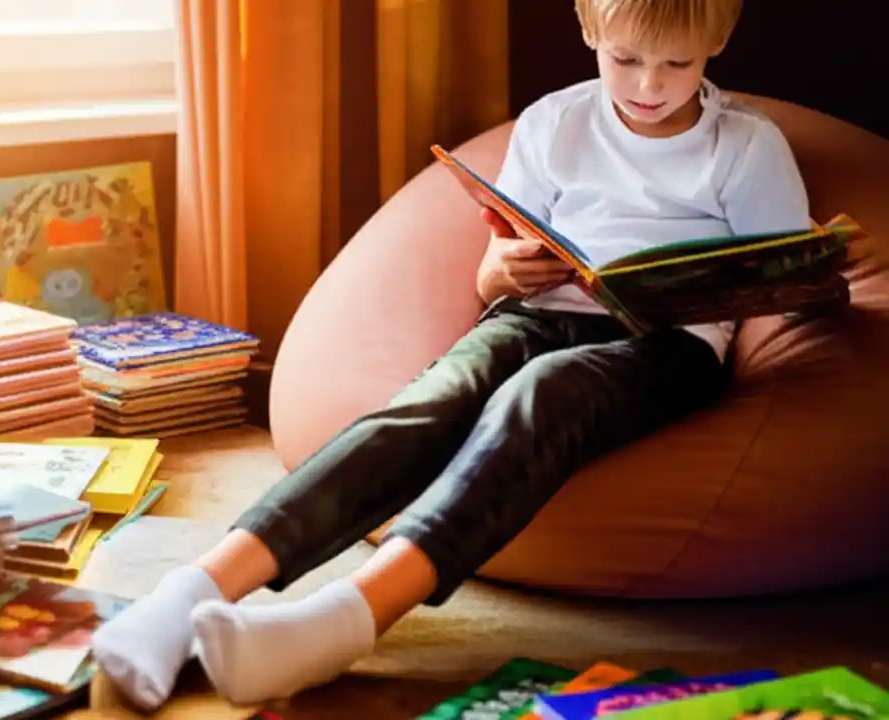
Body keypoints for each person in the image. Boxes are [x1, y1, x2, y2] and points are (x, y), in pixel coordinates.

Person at [91, 0, 813, 709]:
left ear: (717, 41)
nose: (649, 85)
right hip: (540, 313)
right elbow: (492, 270)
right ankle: (189, 592)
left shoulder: (746, 147)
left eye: (675, 64)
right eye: (625, 59)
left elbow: (788, 281)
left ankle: (342, 622)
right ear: (590, 29)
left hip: (667, 345)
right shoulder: (556, 123)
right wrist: (508, 270)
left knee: (543, 391)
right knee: (430, 399)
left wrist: (816, 269)